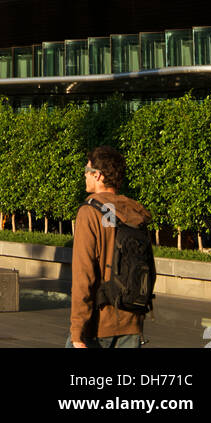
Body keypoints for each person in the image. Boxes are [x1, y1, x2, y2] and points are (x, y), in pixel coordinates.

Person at [68, 145, 155, 349]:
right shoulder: (134, 213)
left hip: (98, 326)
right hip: (132, 321)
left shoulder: (90, 213)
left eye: (87, 171)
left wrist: (76, 331)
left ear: (98, 176)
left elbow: (83, 275)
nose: (85, 176)